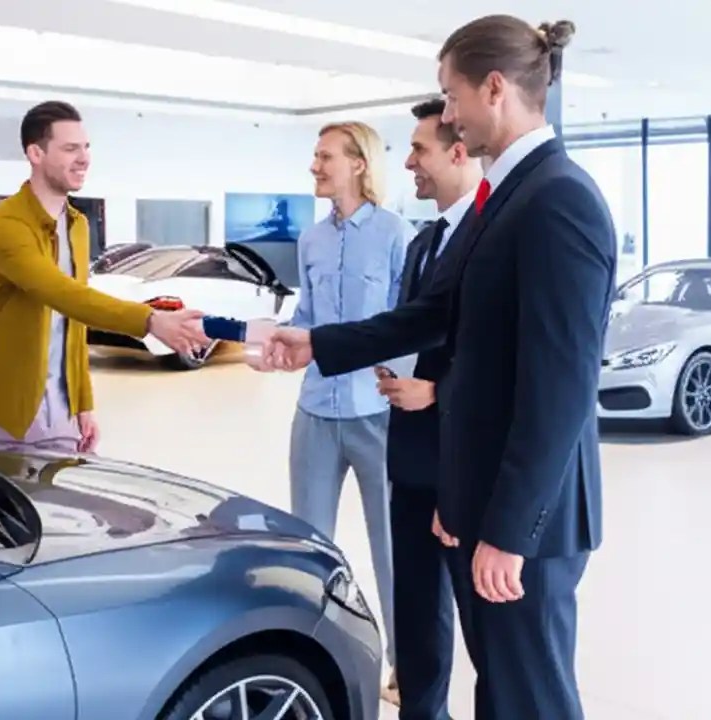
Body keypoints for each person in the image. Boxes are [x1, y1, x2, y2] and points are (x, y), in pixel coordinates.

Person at [259, 16, 615, 720]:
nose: (446, 116)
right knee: (502, 694)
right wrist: (317, 343)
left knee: (530, 698)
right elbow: (432, 314)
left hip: (528, 523)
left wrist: (509, 531)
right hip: (483, 501)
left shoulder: (558, 200)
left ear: (493, 89)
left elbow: (561, 388)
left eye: (450, 97)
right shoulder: (501, 201)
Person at [0, 100, 206, 454]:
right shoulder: (7, 225)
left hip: (62, 411)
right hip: (5, 413)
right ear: (35, 153)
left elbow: (74, 323)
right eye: (70, 148)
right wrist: (150, 320)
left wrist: (83, 404)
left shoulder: (77, 225)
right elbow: (63, 294)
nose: (84, 158)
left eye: (86, 147)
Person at [286, 120, 414, 699]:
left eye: (324, 156)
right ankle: (319, 659)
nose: (315, 165)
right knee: (310, 548)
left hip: (378, 413)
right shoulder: (310, 240)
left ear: (358, 163)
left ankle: (407, 665)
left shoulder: (396, 235)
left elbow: (408, 325)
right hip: (315, 409)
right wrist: (276, 344)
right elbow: (306, 321)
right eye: (314, 156)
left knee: (393, 545)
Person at [379, 97, 483, 717]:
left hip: (465, 462)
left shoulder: (492, 235)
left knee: (485, 629)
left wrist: (437, 391)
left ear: (457, 151)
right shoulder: (424, 242)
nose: (411, 163)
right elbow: (413, 327)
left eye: (418, 150)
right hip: (411, 458)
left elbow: (506, 356)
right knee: (416, 614)